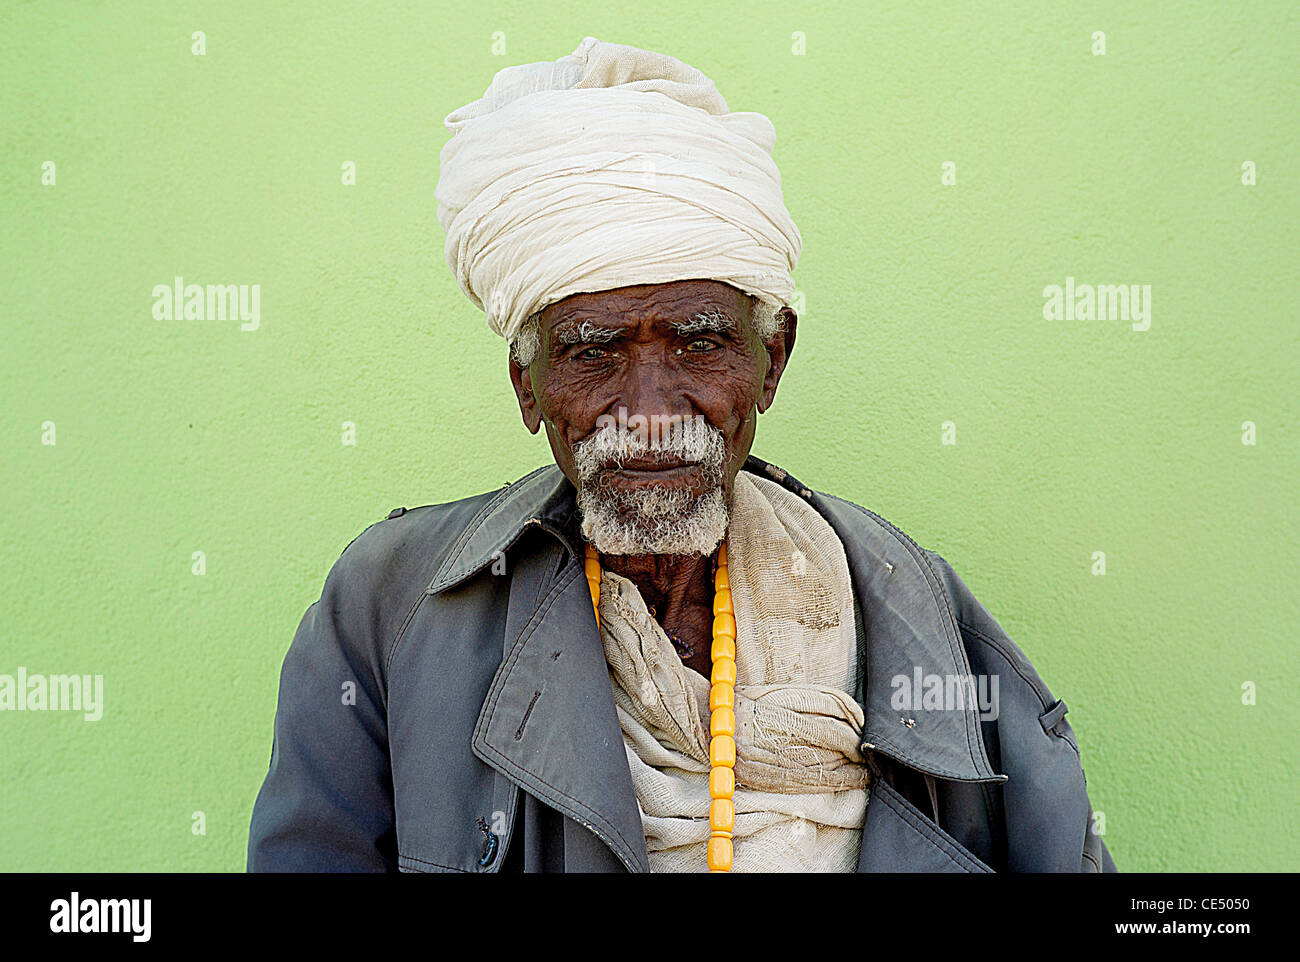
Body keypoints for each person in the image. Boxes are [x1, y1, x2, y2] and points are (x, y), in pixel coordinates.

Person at [247, 36, 1115, 873]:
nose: (651, 413)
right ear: (526, 384)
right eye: (593, 352)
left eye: (700, 345)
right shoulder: (389, 612)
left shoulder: (908, 607)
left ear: (770, 363)